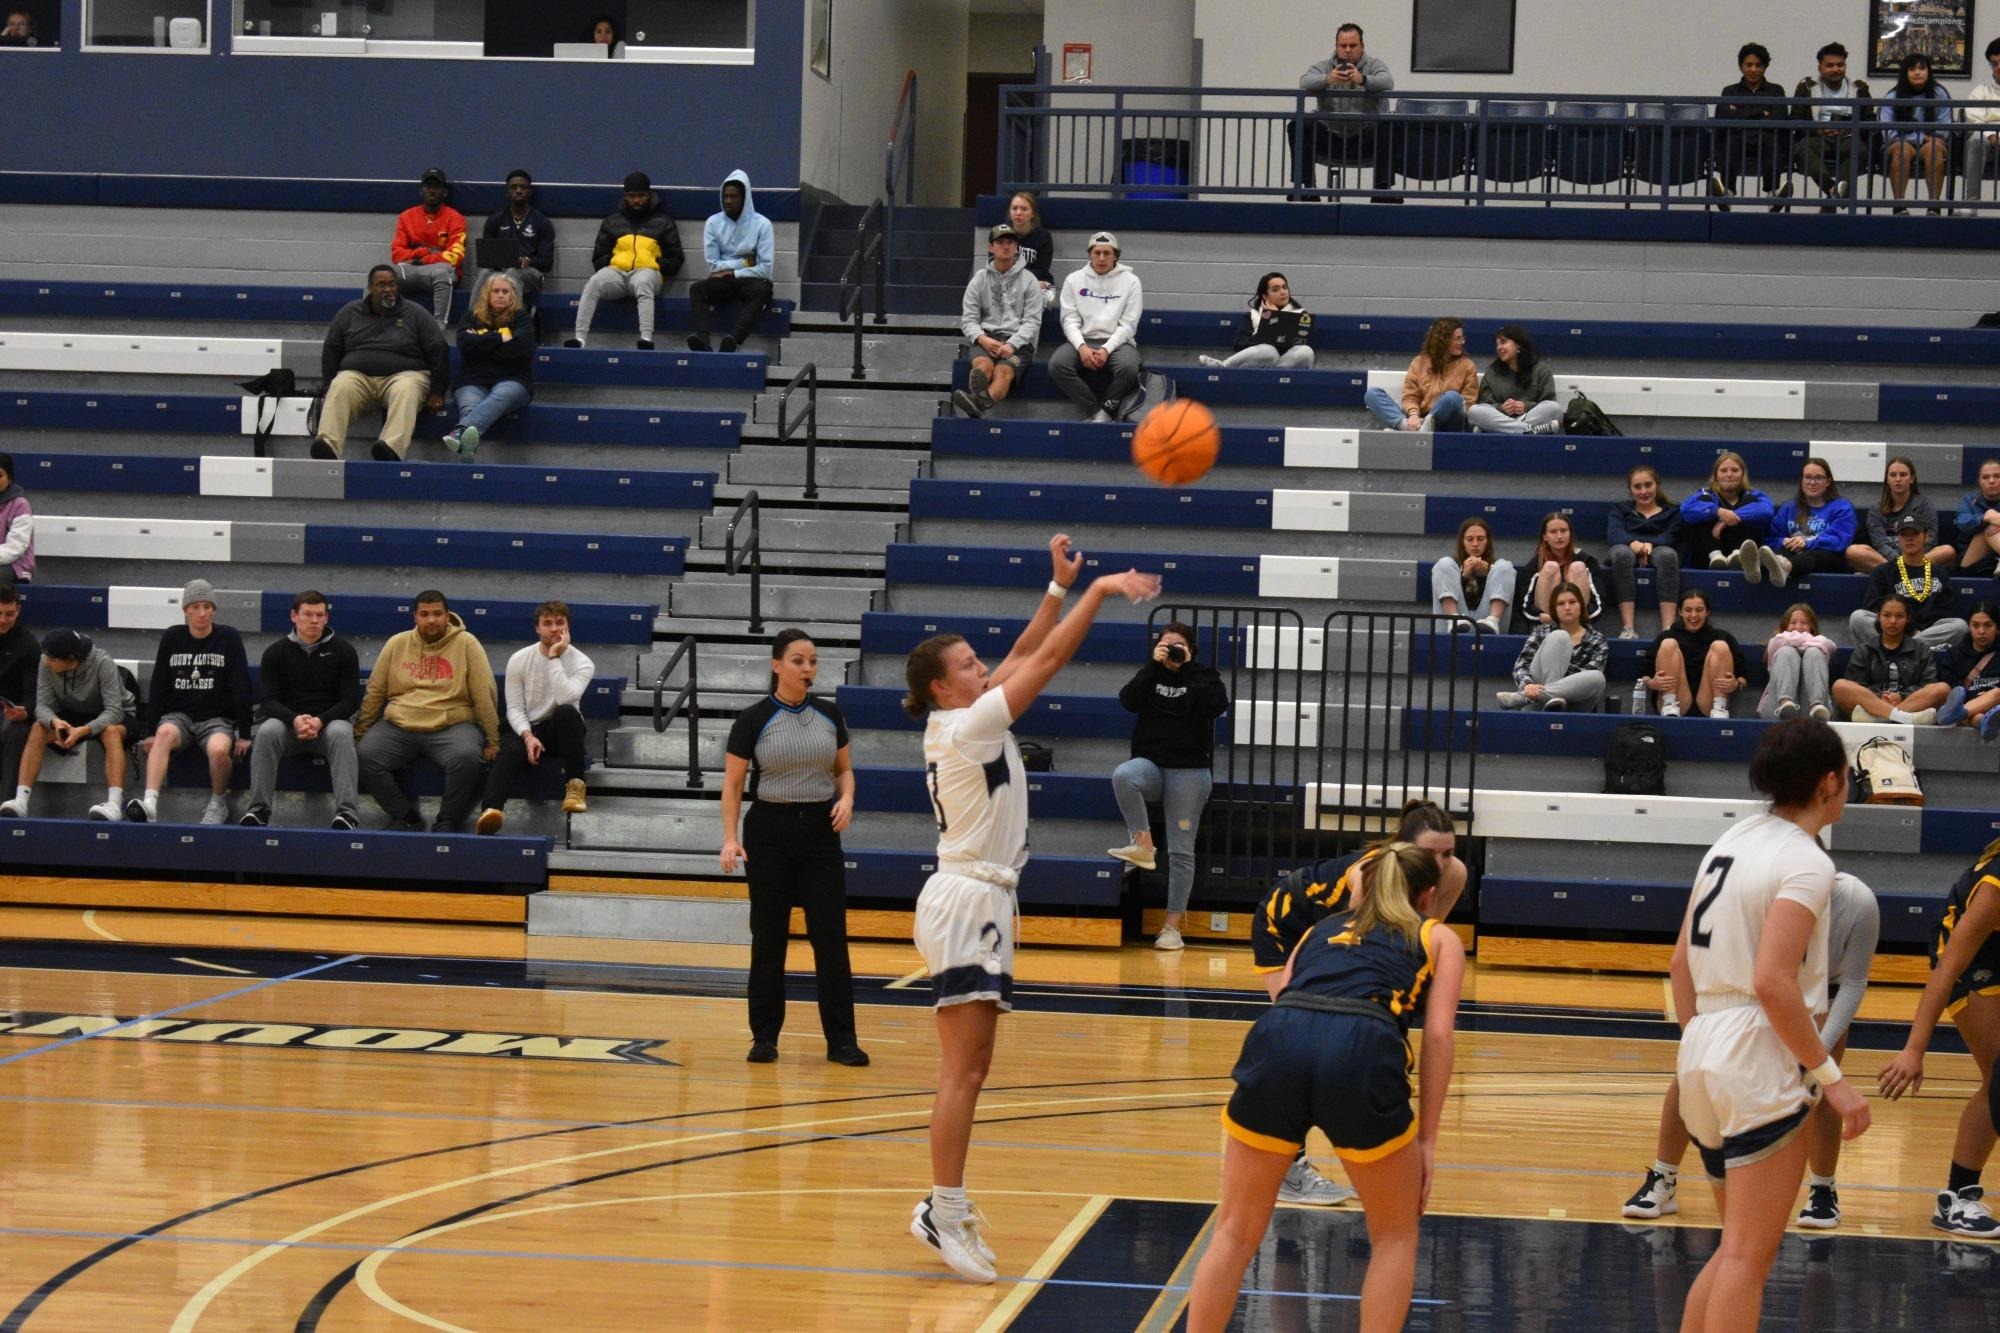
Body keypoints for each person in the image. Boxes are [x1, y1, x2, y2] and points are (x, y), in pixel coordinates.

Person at [902, 534, 1160, 1284]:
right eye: (969, 668)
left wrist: (1055, 589)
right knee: (964, 1069)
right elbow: (1042, 665)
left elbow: (1019, 653)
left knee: (971, 1067)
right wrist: (1100, 593)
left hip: (979, 895)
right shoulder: (969, 725)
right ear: (945, 688)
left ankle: (945, 1202)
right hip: (968, 896)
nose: (984, 671)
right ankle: (941, 1209)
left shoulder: (960, 714)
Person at [1187, 842, 1463, 1333]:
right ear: (1427, 896)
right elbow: (1439, 1035)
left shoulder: (1318, 928)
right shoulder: (1438, 936)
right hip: (1361, 1045)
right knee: (1395, 1236)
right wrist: (1428, 1141)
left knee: (1233, 1232)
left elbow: (1289, 989)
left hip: (1280, 1039)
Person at [1670, 719, 1869, 1330]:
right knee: (1747, 1260)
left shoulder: (1730, 842)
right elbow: (1772, 981)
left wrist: (1702, 1048)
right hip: (1756, 1056)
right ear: (1829, 783)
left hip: (1703, 1044)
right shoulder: (1807, 862)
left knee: (1734, 1250)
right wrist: (1831, 1076)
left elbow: (1680, 964)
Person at [1623, 872, 1877, 1230]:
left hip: (1823, 989)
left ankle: (1823, 1189)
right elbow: (1694, 963)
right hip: (1759, 984)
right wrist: (1697, 1034)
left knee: (1825, 1080)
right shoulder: (1758, 893)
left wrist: (1817, 1053)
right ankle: (1663, 1178)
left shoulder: (1857, 902)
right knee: (1690, 1073)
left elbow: (1853, 982)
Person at [1248, 801, 1469, 1209]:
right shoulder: (1368, 877)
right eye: (1429, 854)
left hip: (1322, 936)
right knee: (1303, 1031)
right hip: (1288, 924)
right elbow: (1348, 956)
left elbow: (1420, 940)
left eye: (1448, 852)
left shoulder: (1453, 876)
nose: (1440, 863)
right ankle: (1290, 1167)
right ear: (1401, 850)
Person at [717, 628, 865, 1067]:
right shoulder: (752, 719)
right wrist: (730, 838)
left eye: (813, 661)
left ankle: (842, 1041)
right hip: (769, 833)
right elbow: (733, 784)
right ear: (776, 665)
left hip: (820, 834)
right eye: (798, 660)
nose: (807, 669)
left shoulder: (829, 715)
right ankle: (764, 1037)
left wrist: (848, 799)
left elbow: (844, 771)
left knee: (831, 941)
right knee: (768, 939)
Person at [1879, 838, 2000, 1237]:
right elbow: (1946, 970)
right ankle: (1958, 1199)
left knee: (1994, 1082)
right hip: (1974, 968)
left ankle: (1958, 1195)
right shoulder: (1996, 886)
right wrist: (1914, 1049)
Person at [1108, 621, 1229, 951]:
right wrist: (1153, 665)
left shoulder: (1204, 676)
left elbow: (1216, 706)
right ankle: (1143, 844)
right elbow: (1128, 701)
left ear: (1191, 649)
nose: (1172, 650)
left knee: (1180, 852)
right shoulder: (1151, 676)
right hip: (1151, 766)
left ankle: (1171, 928)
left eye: (1178, 646)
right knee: (1123, 775)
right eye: (1166, 645)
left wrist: (1186, 666)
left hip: (1189, 771)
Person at [354, 590, 501, 832]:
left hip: (452, 723)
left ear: (447, 615)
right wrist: (359, 734)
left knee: (467, 758)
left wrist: (493, 739)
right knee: (365, 755)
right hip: (399, 724)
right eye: (424, 614)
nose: (431, 620)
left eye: (437, 614)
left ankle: (447, 819)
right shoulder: (396, 643)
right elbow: (376, 692)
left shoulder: (467, 644)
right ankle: (405, 815)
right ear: (415, 617)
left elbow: (483, 694)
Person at [128, 579, 254, 826]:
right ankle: (150, 803)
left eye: (207, 607)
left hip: (218, 719)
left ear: (214, 610)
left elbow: (241, 685)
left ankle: (218, 803)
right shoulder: (173, 637)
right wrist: (151, 730)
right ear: (185, 610)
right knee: (163, 735)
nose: (202, 613)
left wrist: (244, 732)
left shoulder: (228, 637)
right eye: (195, 607)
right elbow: (159, 684)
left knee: (219, 750)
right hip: (179, 717)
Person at [239, 590, 360, 831]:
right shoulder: (275, 653)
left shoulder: (344, 651)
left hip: (328, 727)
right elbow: (268, 700)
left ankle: (347, 813)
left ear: (326, 618)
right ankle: (259, 809)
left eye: (319, 615)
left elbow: (350, 701)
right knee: (267, 731)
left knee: (342, 732)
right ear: (294, 616)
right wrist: (294, 720)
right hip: (288, 728)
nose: (314, 620)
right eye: (308, 614)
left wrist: (320, 721)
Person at [477, 600, 594, 835]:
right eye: (547, 623)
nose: (554, 629)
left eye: (560, 623)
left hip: (559, 732)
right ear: (537, 628)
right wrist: (528, 736)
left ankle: (575, 786)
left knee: (567, 713)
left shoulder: (583, 662)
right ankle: (491, 811)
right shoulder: (519, 659)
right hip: (526, 727)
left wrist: (554, 658)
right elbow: (515, 708)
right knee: (510, 750)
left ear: (568, 627)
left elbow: (565, 699)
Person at [313, 265, 449, 462]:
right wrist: (327, 384)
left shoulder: (416, 313)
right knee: (340, 385)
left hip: (405, 375)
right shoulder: (350, 312)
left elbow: (439, 348)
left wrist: (437, 391)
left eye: (392, 284)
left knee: (407, 388)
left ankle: (390, 448)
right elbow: (331, 349)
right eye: (381, 285)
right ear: (370, 288)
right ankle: (327, 446)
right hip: (359, 378)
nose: (388, 289)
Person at [0, 627, 130, 821]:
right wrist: (55, 722)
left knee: (110, 732)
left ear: (71, 659)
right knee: (38, 728)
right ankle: (21, 800)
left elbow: (115, 710)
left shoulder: (103, 662)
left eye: (53, 659)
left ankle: (114, 804)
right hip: (73, 714)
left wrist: (84, 730)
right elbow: (42, 706)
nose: (46, 662)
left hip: (114, 714)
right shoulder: (45, 662)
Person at [566, 172, 683, 352]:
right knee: (593, 282)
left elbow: (676, 259)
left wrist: (655, 263)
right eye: (632, 196)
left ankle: (646, 338)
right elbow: (598, 257)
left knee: (643, 282)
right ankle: (579, 338)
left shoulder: (663, 222)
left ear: (649, 195)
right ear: (625, 196)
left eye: (641, 196)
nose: (636, 200)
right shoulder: (612, 221)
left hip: (648, 273)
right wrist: (615, 261)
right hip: (618, 274)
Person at [1294, 22, 1397, 198]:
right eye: (1343, 46)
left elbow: (1388, 82)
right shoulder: (1324, 66)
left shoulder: (1374, 64)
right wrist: (1327, 79)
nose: (1347, 50)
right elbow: (1304, 81)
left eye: (1353, 45)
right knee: (1298, 125)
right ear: (1337, 46)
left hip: (1364, 139)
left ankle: (1382, 192)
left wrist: (1363, 79)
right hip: (1331, 136)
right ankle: (1306, 188)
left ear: (1362, 46)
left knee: (1389, 127)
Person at [950, 224, 1042, 420]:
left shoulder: (1030, 280)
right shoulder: (979, 279)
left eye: (1010, 242)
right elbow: (968, 320)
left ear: (1016, 247)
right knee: (982, 367)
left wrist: (1012, 344)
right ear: (991, 247)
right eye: (1000, 242)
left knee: (1003, 372)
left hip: (1019, 343)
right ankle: (978, 403)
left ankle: (978, 404)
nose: (1006, 246)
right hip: (987, 337)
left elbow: (1032, 322)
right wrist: (983, 339)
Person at [1050, 232, 1143, 422]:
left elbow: (1128, 325)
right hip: (1082, 340)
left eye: (1107, 253)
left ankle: (1106, 411)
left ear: (1115, 255)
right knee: (1057, 365)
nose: (1101, 258)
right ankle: (1098, 412)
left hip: (1117, 343)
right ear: (1089, 254)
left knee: (1129, 368)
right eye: (1097, 252)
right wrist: (1082, 347)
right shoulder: (1073, 280)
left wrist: (1106, 349)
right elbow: (1069, 320)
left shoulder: (1131, 282)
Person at [443, 273, 534, 461]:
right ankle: (466, 456)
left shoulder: (521, 318)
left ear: (512, 295)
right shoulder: (471, 317)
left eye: (505, 291)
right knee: (470, 406)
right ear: (487, 294)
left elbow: (522, 350)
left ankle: (460, 432)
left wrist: (481, 343)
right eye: (496, 291)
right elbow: (465, 346)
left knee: (500, 396)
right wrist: (500, 338)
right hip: (472, 380)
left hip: (512, 379)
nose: (501, 295)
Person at [687, 170, 774, 353]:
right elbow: (713, 265)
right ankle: (703, 341)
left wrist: (734, 271)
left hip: (750, 281)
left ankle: (733, 339)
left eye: (733, 196)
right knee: (697, 288)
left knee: (763, 289)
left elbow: (765, 268)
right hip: (724, 282)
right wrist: (746, 262)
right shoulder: (712, 223)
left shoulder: (763, 224)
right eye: (725, 196)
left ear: (744, 198)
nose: (728, 201)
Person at [1849, 514, 1965, 650]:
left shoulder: (1940, 573)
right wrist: (1907, 629)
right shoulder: (1883, 571)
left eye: (1915, 533)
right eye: (1904, 534)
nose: (1909, 538)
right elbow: (1874, 608)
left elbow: (1945, 612)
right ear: (1898, 539)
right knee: (1858, 618)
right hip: (1892, 628)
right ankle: (1915, 648)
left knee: (1959, 626)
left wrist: (1917, 631)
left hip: (1926, 632)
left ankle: (1905, 647)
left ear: (1926, 537)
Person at [1832, 593, 1948, 724]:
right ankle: (1901, 718)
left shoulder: (1921, 649)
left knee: (1942, 688)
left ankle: (1882, 719)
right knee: (1840, 686)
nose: (1893, 621)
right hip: (1874, 706)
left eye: (1899, 616)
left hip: (1908, 704)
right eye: (1887, 615)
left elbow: (1928, 685)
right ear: (1878, 617)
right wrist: (1879, 697)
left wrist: (1902, 696)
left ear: (1908, 618)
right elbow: (1857, 686)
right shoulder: (1865, 649)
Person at [1498, 582, 1607, 712]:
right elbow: (1521, 665)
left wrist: (1557, 672)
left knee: (1597, 678)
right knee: (1559, 637)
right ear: (1553, 609)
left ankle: (1524, 698)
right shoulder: (1541, 632)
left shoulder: (1597, 640)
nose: (1567, 607)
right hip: (1537, 706)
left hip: (1574, 706)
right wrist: (1528, 685)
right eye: (1561, 603)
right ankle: (1548, 701)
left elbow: (1583, 681)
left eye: (1572, 602)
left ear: (1581, 606)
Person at [1710, 43, 1793, 210]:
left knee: (1772, 142)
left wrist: (1740, 112)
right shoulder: (1729, 91)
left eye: (1758, 65)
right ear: (1741, 66)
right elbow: (1725, 115)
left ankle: (1773, 193)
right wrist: (1762, 114)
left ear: (1765, 67)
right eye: (1748, 65)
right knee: (1731, 141)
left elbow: (1779, 117)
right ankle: (1727, 192)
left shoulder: (1776, 90)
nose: (1753, 69)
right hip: (1738, 137)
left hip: (1766, 137)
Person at [1641, 590, 1746, 720]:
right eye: (1688, 610)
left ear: (1707, 612)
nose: (1693, 615)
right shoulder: (1666, 636)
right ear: (1680, 612)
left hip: (1710, 701)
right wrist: (1652, 683)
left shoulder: (1722, 636)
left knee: (1720, 646)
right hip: (1676, 699)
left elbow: (1743, 674)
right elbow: (1644, 672)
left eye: (1699, 610)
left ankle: (1720, 706)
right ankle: (1669, 703)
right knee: (1668, 643)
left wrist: (1736, 684)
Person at [1751, 457, 1855, 587]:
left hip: (1829, 557)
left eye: (1818, 478)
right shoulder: (1789, 508)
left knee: (1810, 555)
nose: (1812, 482)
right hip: (1794, 553)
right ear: (1801, 480)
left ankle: (1785, 569)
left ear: (1828, 481)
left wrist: (1807, 542)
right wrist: (1784, 541)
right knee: (1777, 554)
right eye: (1807, 477)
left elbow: (1840, 540)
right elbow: (1771, 538)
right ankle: (1756, 568)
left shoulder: (1841, 507)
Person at [1607, 464, 1684, 639]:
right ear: (1630, 489)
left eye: (1648, 485)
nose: (1643, 491)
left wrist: (1651, 544)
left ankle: (1668, 628)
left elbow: (1672, 535)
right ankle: (1628, 628)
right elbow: (1613, 533)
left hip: (1658, 549)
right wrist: (1632, 543)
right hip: (1625, 548)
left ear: (1657, 485)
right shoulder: (1620, 509)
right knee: (1621, 554)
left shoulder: (1672, 511)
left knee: (1669, 555)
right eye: (1637, 486)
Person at [1791, 42, 1869, 210]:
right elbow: (1796, 118)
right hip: (1817, 137)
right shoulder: (1806, 87)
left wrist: (1852, 128)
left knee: (1860, 151)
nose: (1835, 69)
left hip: (1848, 137)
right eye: (1830, 65)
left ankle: (1833, 196)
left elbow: (1869, 119)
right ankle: (1832, 189)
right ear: (1820, 68)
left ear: (1845, 66)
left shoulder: (1859, 87)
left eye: (1840, 65)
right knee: (1804, 149)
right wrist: (1818, 129)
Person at [1363, 317, 1475, 433]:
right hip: (1419, 418)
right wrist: (1414, 415)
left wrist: (1435, 415)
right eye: (1457, 339)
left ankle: (1416, 430)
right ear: (1444, 340)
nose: (1462, 342)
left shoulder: (1467, 366)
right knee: (1372, 394)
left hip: (1448, 423)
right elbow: (1410, 396)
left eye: (1462, 338)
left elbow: (1467, 404)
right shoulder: (1419, 362)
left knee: (1453, 397)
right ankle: (1406, 426)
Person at [1848, 455, 1949, 572]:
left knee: (1947, 551)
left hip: (1919, 559)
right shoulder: (1876, 510)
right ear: (1887, 480)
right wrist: (1900, 563)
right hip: (1888, 560)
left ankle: (1898, 572)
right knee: (1853, 551)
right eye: (1893, 475)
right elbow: (1880, 544)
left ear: (1912, 479)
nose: (1898, 479)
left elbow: (1930, 540)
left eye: (1903, 475)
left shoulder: (1924, 505)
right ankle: (1903, 572)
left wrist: (1912, 560)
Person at [390, 168, 466, 324]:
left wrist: (420, 257)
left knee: (442, 273)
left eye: (436, 187)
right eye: (428, 186)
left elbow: (455, 257)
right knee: (379, 275)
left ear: (444, 192)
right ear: (421, 190)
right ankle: (371, 320)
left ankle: (439, 328)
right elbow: (397, 254)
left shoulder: (455, 218)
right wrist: (425, 252)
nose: (432, 190)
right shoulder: (407, 216)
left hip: (439, 271)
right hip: (412, 269)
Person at [475, 169, 555, 312]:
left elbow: (547, 263)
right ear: (507, 192)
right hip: (500, 270)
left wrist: (529, 261)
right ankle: (473, 321)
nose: (518, 191)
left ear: (529, 192)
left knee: (512, 272)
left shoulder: (542, 222)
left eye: (523, 187)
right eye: (514, 187)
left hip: (530, 273)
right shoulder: (495, 220)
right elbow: (486, 256)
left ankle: (513, 324)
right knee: (484, 273)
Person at [1881, 53, 1952, 214]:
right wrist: (1922, 137)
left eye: (1922, 68)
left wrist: (1923, 138)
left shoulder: (1940, 94)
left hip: (1931, 144)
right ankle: (1899, 205)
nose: (1917, 73)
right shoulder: (1893, 96)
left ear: (1929, 71)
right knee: (1902, 150)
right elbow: (1889, 133)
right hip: (1899, 143)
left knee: (1934, 148)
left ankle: (1933, 206)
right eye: (1912, 69)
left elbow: (1944, 131)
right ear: (1905, 73)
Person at [1197, 272, 1314, 370]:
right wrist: (1266, 325)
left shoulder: (1301, 315)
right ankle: (1223, 366)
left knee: (1306, 352)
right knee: (1268, 351)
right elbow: (1239, 344)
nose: (1283, 292)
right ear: (1265, 296)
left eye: (1285, 287)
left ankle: (1272, 373)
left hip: (1289, 363)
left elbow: (1301, 344)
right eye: (1275, 289)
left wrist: (1277, 317)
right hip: (1260, 360)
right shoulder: (1253, 315)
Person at [1681, 450, 1774, 571]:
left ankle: (1737, 554)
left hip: (1744, 557)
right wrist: (1717, 511)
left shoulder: (1754, 495)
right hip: (1708, 555)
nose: (1729, 475)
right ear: (1716, 475)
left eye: (1735, 470)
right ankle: (1716, 556)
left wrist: (1730, 517)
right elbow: (1686, 510)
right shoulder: (1705, 493)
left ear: (1742, 474)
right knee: (1704, 505)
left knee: (1751, 503)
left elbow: (1766, 511)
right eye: (1723, 470)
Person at [1466, 324, 1561, 435]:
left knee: (1554, 408)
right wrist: (1501, 408)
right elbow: (1484, 404)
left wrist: (1526, 407)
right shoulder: (1492, 372)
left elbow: (1548, 401)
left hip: (1528, 417)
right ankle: (1528, 430)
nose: (1498, 348)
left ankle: (1515, 429)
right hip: (1500, 418)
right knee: (1474, 411)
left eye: (1503, 342)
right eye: (1497, 345)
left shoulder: (1541, 370)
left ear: (1518, 345)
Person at [1514, 510, 1601, 629]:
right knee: (1550, 567)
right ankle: (1548, 631)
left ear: (1570, 533)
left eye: (1564, 531)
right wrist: (1540, 616)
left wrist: (1583, 617)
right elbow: (1524, 606)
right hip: (1547, 623)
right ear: (1545, 536)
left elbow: (1599, 603)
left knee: (1578, 567)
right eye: (1553, 532)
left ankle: (1577, 629)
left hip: (1578, 622)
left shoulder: (1587, 561)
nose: (1559, 536)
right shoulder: (1535, 565)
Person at [1430, 516, 1515, 632]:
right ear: (1462, 542)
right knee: (1443, 563)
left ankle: (1493, 620)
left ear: (1487, 542)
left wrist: (1483, 578)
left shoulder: (1497, 568)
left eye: (1480, 539)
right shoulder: (1452, 567)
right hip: (1453, 624)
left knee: (1504, 566)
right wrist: (1464, 577)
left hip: (1487, 625)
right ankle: (1453, 619)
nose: (1475, 544)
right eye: (1470, 539)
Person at [1758, 604, 1837, 722]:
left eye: (1804, 623)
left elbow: (1830, 645)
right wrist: (1808, 641)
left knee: (1814, 653)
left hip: (1811, 710)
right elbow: (1780, 640)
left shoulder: (1821, 646)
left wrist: (1802, 643)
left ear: (1812, 627)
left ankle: (1817, 706)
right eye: (1793, 622)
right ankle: (1786, 704)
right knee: (1787, 651)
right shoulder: (1777, 642)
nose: (1798, 627)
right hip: (1777, 709)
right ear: (1785, 626)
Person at [1936, 601, 2000, 739]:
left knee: (1997, 694)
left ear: (1998, 628)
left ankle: (1965, 714)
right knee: (1979, 714)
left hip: (1996, 706)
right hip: (1966, 705)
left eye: (1988, 625)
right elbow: (1954, 693)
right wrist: (1980, 699)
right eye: (1975, 625)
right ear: (1969, 626)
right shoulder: (1952, 655)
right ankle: (1980, 720)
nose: (1981, 631)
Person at [0, 583, 36, 795]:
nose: (3, 620)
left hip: (13, 713)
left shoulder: (28, 644)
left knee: (17, 732)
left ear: (18, 611)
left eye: (9, 614)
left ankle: (6, 804)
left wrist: (25, 711)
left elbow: (33, 694)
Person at [1962, 39, 2000, 206]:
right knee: (1977, 139)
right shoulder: (1980, 91)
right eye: (1994, 64)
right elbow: (1974, 119)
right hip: (1989, 147)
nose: (1998, 68)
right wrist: (1991, 134)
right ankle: (1971, 204)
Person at [1953, 456, 2000, 576]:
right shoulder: (1969, 501)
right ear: (1979, 481)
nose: (1991, 481)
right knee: (1989, 528)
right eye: (1985, 477)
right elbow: (1962, 522)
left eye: (1997, 476)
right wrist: (1986, 518)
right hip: (1971, 561)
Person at [1005, 191, 1055, 303]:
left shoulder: (1043, 237)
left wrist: (1027, 281)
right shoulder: (1000, 235)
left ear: (1032, 214)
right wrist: (1021, 281)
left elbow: (1041, 270)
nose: (1018, 212)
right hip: (1008, 281)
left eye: (1024, 209)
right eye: (1014, 208)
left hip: (1039, 281)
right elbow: (997, 267)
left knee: (1035, 298)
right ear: (1010, 212)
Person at [0, 451, 32, 585]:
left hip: (15, 565)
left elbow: (16, 547)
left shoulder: (20, 505)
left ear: (9, 479)